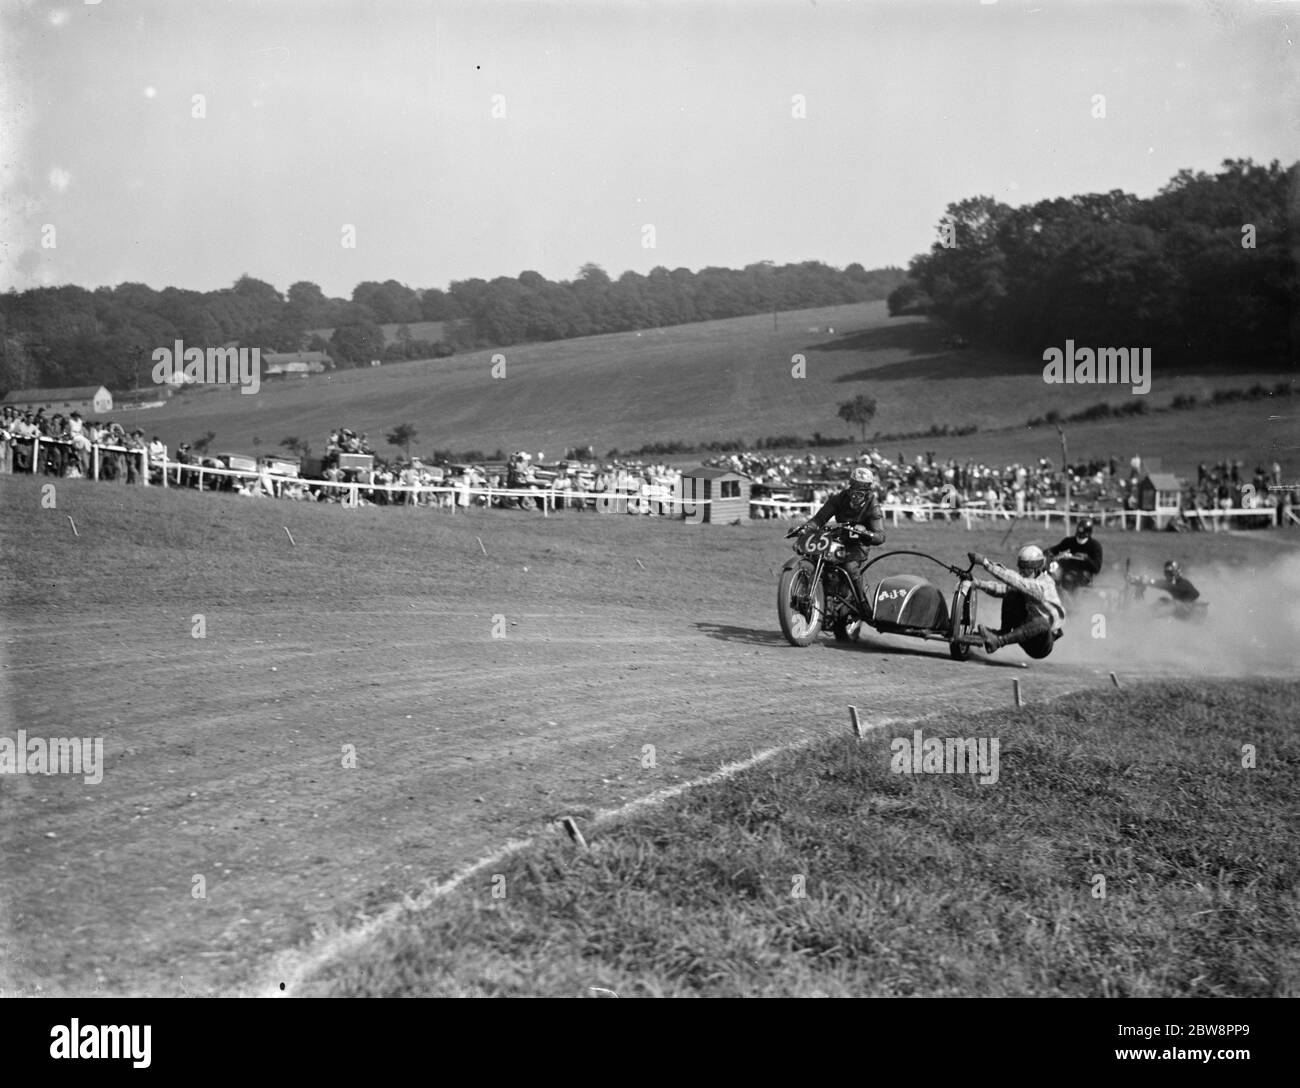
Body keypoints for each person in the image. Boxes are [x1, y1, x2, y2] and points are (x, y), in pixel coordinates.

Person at [798, 466, 886, 601]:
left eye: (861, 490)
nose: (856, 495)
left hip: (858, 545)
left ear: (868, 490)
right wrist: (807, 528)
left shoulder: (873, 506)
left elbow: (880, 536)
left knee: (850, 567)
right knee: (815, 556)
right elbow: (819, 519)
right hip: (838, 539)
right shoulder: (838, 499)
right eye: (854, 488)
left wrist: (865, 533)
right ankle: (810, 590)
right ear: (849, 486)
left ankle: (862, 603)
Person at [967, 545, 1065, 658]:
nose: (1022, 572)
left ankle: (998, 641)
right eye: (1021, 568)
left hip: (1041, 645)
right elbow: (1003, 589)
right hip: (1024, 636)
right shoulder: (1027, 581)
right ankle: (1002, 633)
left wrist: (986, 563)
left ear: (1036, 569)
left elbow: (1017, 581)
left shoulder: (1044, 585)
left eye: (1026, 569)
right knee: (1012, 593)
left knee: (1043, 622)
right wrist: (977, 583)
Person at [1045, 517, 1103, 590]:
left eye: (1082, 535)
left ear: (1088, 533)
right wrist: (1048, 553)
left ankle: (1070, 599)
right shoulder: (1069, 541)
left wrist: (1086, 558)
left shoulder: (1095, 546)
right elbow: (1055, 549)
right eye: (1079, 534)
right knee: (1052, 576)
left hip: (1084, 574)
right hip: (1067, 571)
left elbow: (1096, 568)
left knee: (1068, 578)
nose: (1080, 537)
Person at [1132, 560, 1201, 618]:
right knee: (1163, 600)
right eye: (1166, 573)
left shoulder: (1183, 583)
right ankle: (1146, 613)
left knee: (1173, 605)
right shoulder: (1173, 584)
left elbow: (1196, 594)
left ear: (1176, 573)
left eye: (1170, 573)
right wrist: (1137, 579)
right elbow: (1165, 584)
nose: (1168, 576)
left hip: (1192, 613)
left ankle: (1151, 617)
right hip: (1185, 610)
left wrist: (1148, 581)